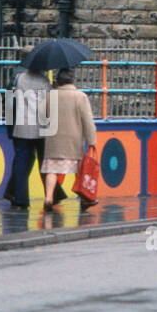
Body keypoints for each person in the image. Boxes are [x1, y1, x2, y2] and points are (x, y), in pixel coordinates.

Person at [39, 68, 97, 211]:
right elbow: (87, 120)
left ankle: (49, 198)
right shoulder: (80, 96)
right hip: (74, 140)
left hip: (54, 139)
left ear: (58, 81)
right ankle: (84, 199)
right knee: (80, 170)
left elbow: (41, 115)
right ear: (72, 80)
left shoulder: (50, 96)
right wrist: (92, 140)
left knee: (52, 169)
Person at [5, 62, 51, 209]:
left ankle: (20, 199)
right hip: (40, 128)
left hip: (21, 126)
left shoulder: (18, 78)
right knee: (44, 163)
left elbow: (9, 98)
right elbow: (49, 105)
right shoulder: (44, 81)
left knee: (21, 163)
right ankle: (50, 196)